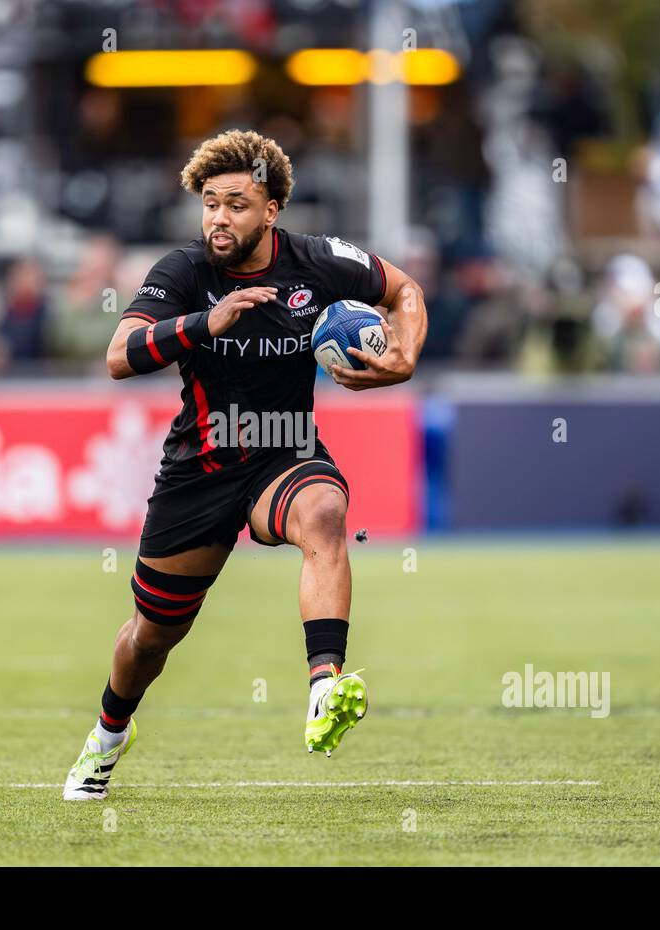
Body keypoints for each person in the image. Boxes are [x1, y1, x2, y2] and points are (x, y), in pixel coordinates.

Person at [62, 130, 428, 800]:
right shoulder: (184, 273)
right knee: (148, 640)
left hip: (285, 451)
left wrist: (403, 355)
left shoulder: (319, 263)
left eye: (236, 203)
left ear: (272, 210)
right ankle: (110, 733)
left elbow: (404, 290)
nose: (219, 218)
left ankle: (325, 686)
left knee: (324, 512)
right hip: (199, 468)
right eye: (210, 204)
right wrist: (206, 323)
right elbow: (119, 355)